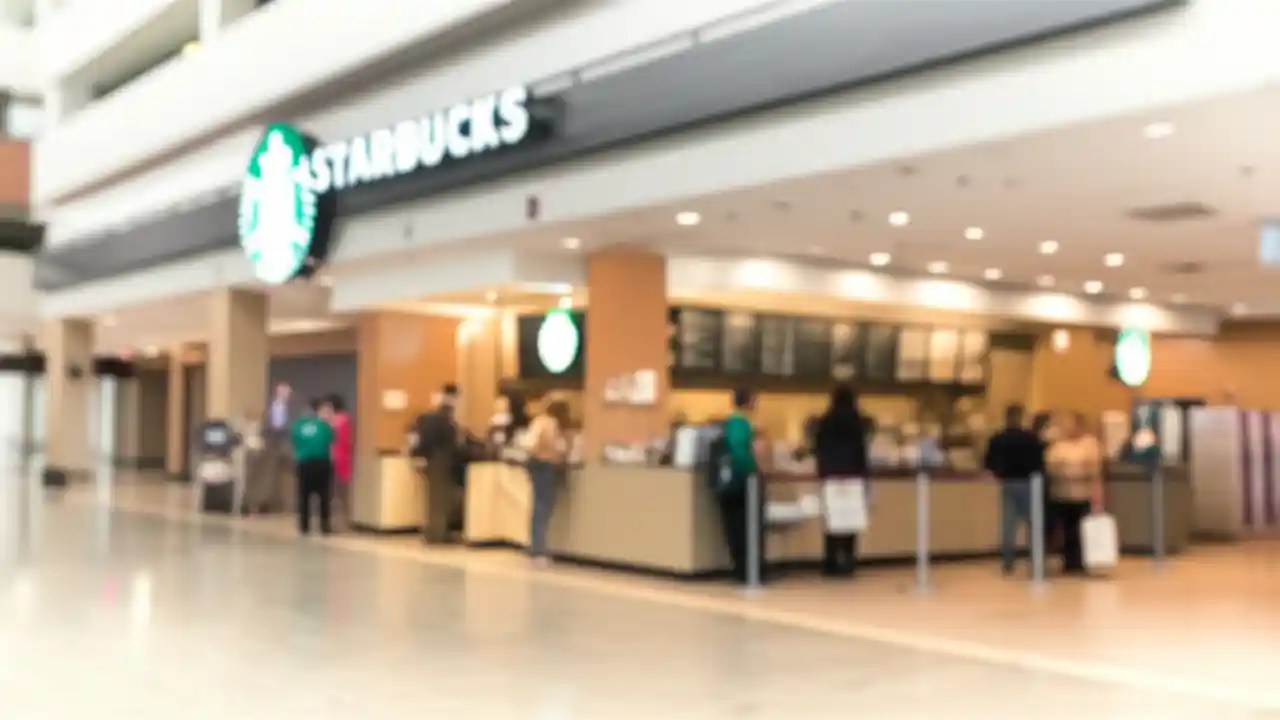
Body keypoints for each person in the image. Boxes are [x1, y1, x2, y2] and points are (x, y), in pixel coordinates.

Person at [984, 404, 1047, 576]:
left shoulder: (997, 438)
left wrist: (999, 473)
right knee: (1033, 523)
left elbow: (988, 462)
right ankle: (1036, 560)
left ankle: (1007, 562)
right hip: (1029, 483)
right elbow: (1040, 462)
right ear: (1021, 417)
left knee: (1008, 524)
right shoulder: (1030, 438)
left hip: (1007, 482)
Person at [814, 384, 870, 577]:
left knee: (832, 521)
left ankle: (830, 561)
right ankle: (848, 560)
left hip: (831, 476)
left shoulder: (826, 420)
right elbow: (861, 450)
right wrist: (863, 474)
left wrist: (823, 471)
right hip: (852, 475)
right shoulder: (857, 421)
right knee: (850, 520)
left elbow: (818, 447)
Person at [1046, 412, 1104, 574]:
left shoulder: (1090, 444)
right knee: (1066, 529)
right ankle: (1068, 560)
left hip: (1083, 494)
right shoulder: (1057, 444)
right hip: (1061, 493)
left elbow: (1094, 467)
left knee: (1080, 529)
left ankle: (1081, 560)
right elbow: (1051, 465)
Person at [718, 387, 764, 585]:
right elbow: (740, 453)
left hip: (730, 483)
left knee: (735, 527)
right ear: (749, 401)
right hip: (741, 482)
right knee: (745, 527)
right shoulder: (740, 423)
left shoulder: (731, 422)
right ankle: (747, 569)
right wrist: (753, 470)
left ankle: (741, 568)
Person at [524, 398, 571, 566]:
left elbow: (528, 444)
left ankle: (536, 547)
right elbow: (559, 448)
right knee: (543, 508)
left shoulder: (540, 422)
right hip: (546, 466)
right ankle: (538, 550)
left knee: (539, 507)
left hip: (538, 465)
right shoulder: (551, 425)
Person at [412, 384, 461, 544]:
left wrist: (419, 455)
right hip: (440, 461)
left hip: (433, 460)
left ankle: (435, 532)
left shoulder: (430, 418)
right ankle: (436, 534)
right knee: (439, 499)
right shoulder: (444, 419)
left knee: (435, 498)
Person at [247, 382, 294, 515]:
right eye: (283, 392)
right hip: (270, 443)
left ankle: (285, 504)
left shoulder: (293, 409)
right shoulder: (269, 409)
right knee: (267, 473)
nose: (286, 395)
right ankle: (261, 502)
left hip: (286, 442)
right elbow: (264, 426)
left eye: (288, 392)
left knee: (287, 476)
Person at [293, 398, 336, 536]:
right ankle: (325, 526)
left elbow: (295, 441)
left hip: (304, 463)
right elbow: (331, 441)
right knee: (324, 496)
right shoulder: (324, 427)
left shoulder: (298, 426)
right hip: (322, 463)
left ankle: (304, 526)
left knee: (304, 496)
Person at [328, 394, 354, 528]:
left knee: (333, 493)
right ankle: (345, 521)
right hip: (345, 458)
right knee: (343, 493)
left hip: (335, 458)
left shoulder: (335, 421)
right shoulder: (347, 419)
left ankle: (335, 522)